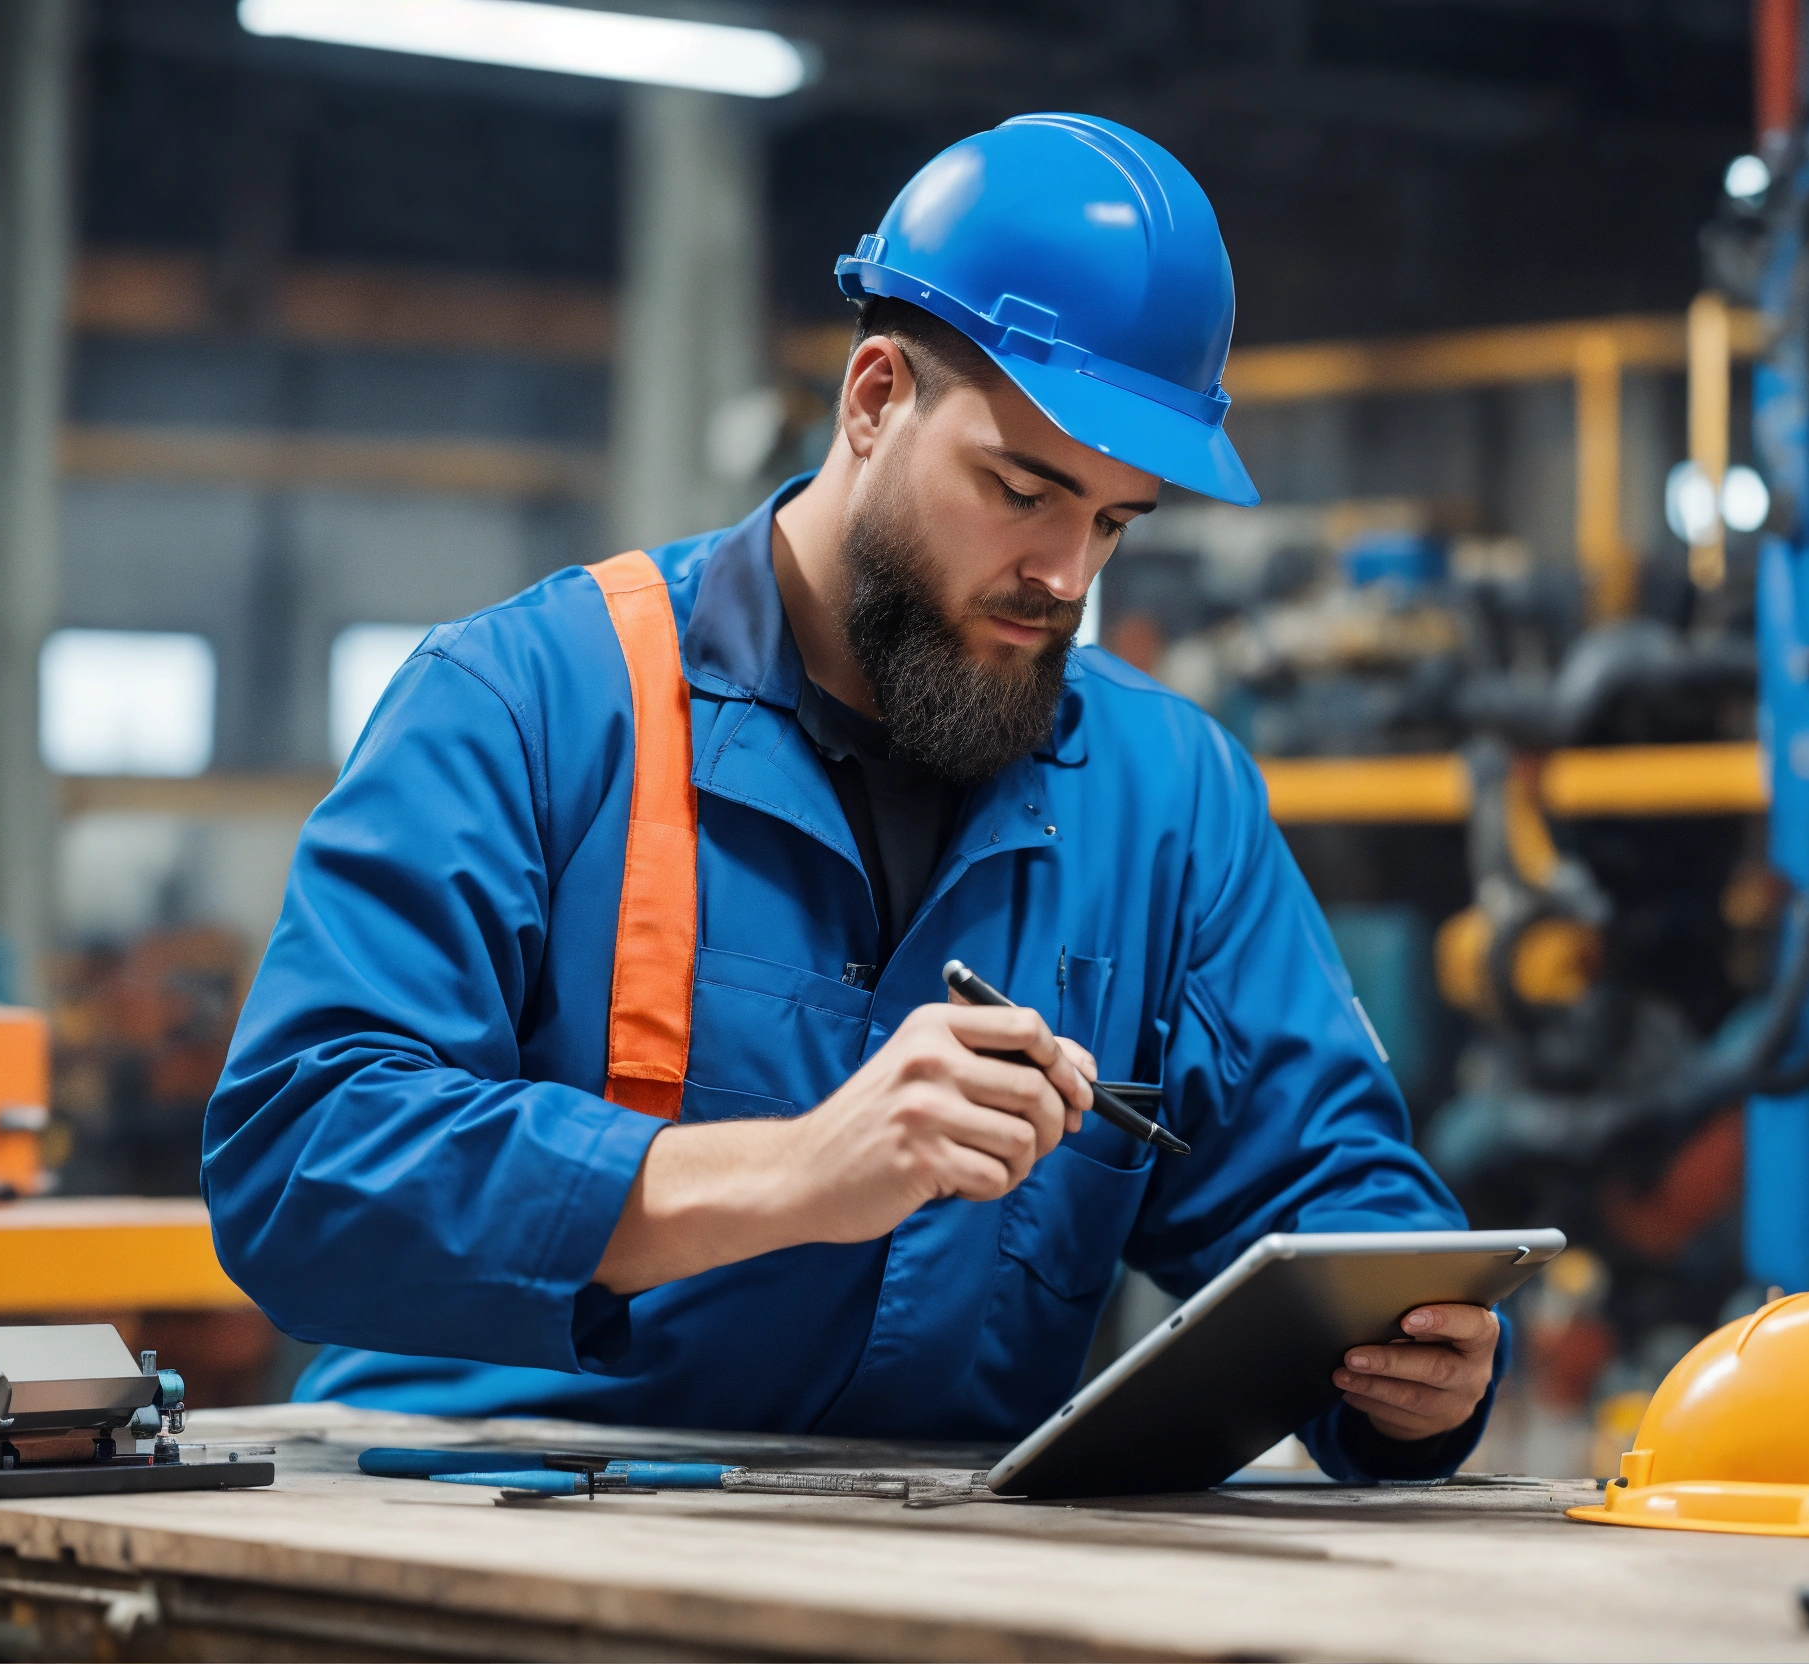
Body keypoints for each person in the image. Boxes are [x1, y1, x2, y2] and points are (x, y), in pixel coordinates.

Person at [204, 114, 1508, 1476]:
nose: (1067, 575)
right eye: (1022, 491)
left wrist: (1407, 1359)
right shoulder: (529, 704)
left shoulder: (1169, 796)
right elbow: (303, 1159)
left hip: (915, 1558)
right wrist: (790, 1172)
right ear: (875, 400)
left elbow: (1317, 1186)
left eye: (1115, 521)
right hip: (470, 1519)